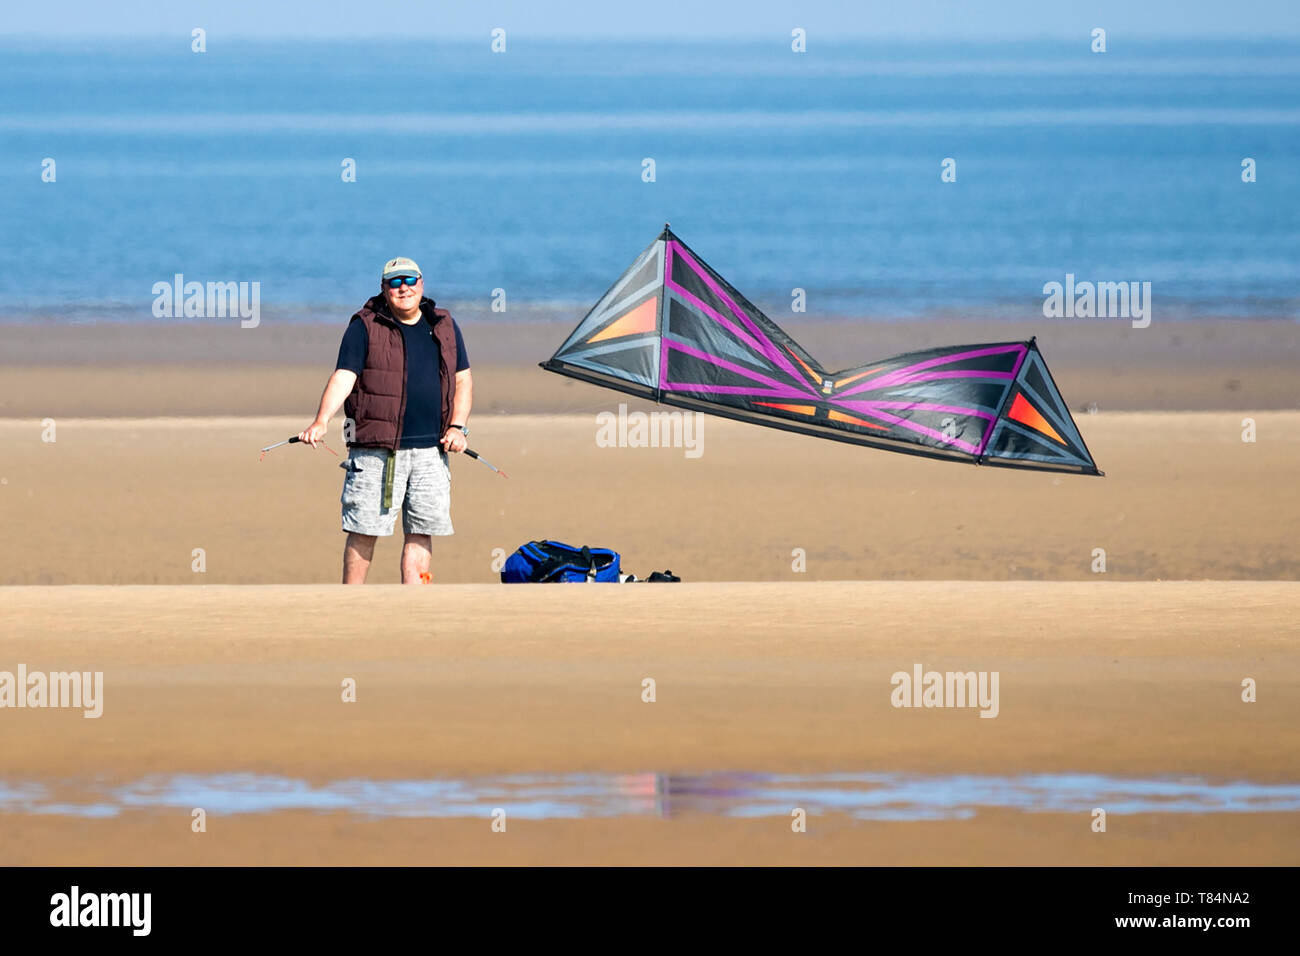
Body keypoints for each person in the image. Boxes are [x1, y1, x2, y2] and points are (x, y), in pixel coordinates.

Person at [299, 257, 471, 583]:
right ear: (384, 288)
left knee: (421, 531)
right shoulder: (364, 326)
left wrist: (457, 427)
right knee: (364, 529)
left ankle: (413, 606)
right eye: (394, 282)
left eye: (409, 279)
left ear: (421, 283)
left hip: (431, 450)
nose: (403, 287)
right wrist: (321, 421)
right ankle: (352, 602)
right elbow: (344, 376)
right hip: (376, 449)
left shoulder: (444, 324)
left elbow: (463, 380)